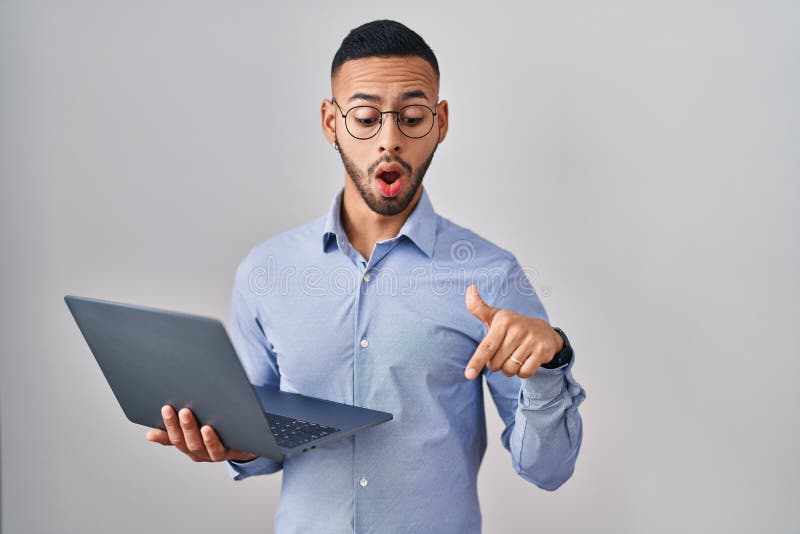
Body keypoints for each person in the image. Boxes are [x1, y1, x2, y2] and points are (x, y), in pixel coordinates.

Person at [146, 19, 586, 533]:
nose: (389, 140)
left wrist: (550, 362)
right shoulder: (266, 273)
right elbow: (261, 450)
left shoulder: (492, 275)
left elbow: (548, 470)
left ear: (441, 122)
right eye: (365, 118)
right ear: (330, 122)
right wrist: (225, 443)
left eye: (413, 116)